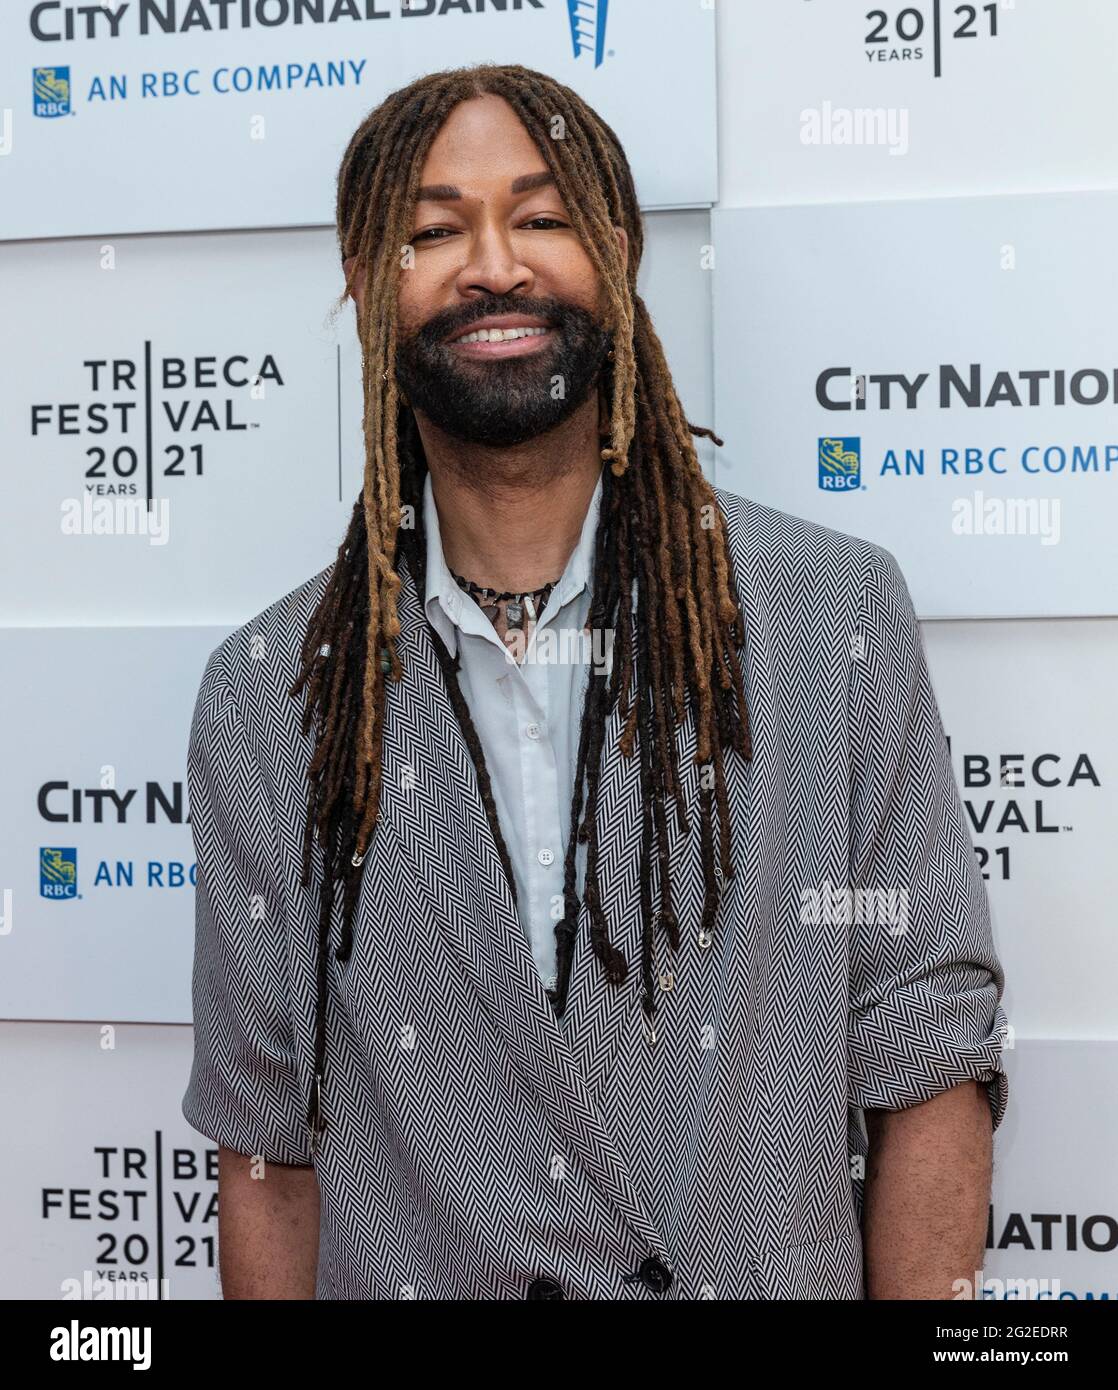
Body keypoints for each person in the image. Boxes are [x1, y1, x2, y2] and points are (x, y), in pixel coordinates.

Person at [183, 63, 1008, 1301]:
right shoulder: (268, 696)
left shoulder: (828, 615)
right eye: (429, 228)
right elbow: (267, 1150)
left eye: (542, 216)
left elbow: (923, 1056)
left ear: (616, 255)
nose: (493, 265)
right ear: (364, 284)